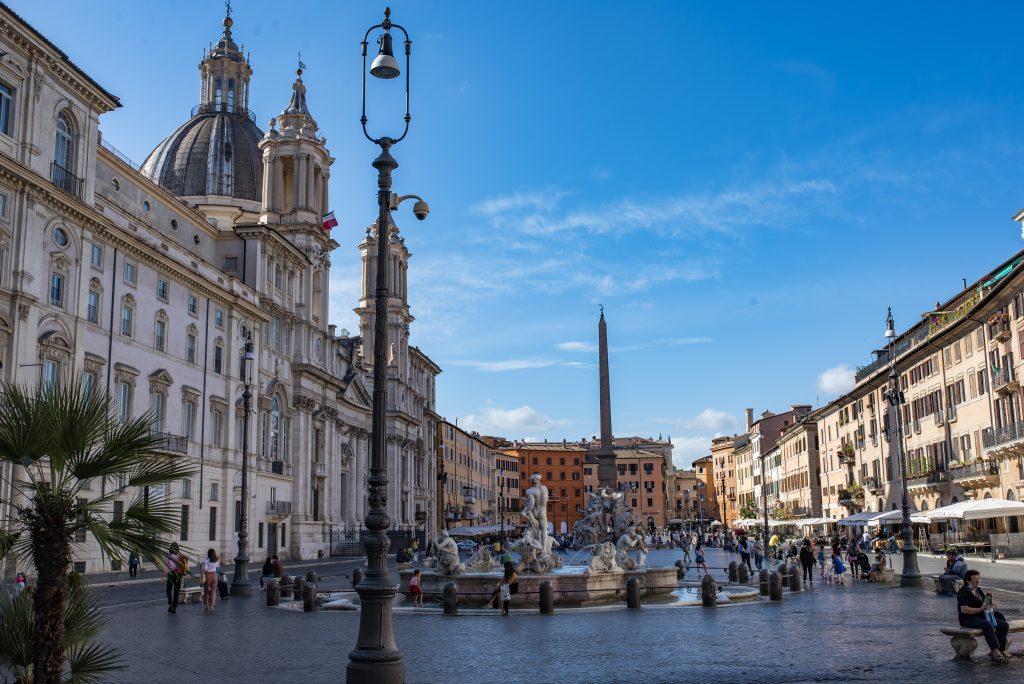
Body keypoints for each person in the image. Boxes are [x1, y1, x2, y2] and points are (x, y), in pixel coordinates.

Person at [956, 569, 1010, 663]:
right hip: (967, 618)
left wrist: (990, 601)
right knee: (987, 625)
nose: (978, 581)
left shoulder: (978, 590)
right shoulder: (963, 592)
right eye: (975, 579)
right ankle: (995, 651)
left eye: (979, 578)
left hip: (980, 616)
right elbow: (964, 610)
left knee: (1004, 625)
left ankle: (1001, 650)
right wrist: (981, 609)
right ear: (968, 581)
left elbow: (987, 604)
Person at [162, 543, 186, 613]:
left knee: (168, 589)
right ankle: (174, 607)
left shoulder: (168, 556)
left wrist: (163, 575)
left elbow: (166, 567)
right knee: (176, 591)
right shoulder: (180, 556)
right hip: (178, 574)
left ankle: (170, 603)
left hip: (171, 574)